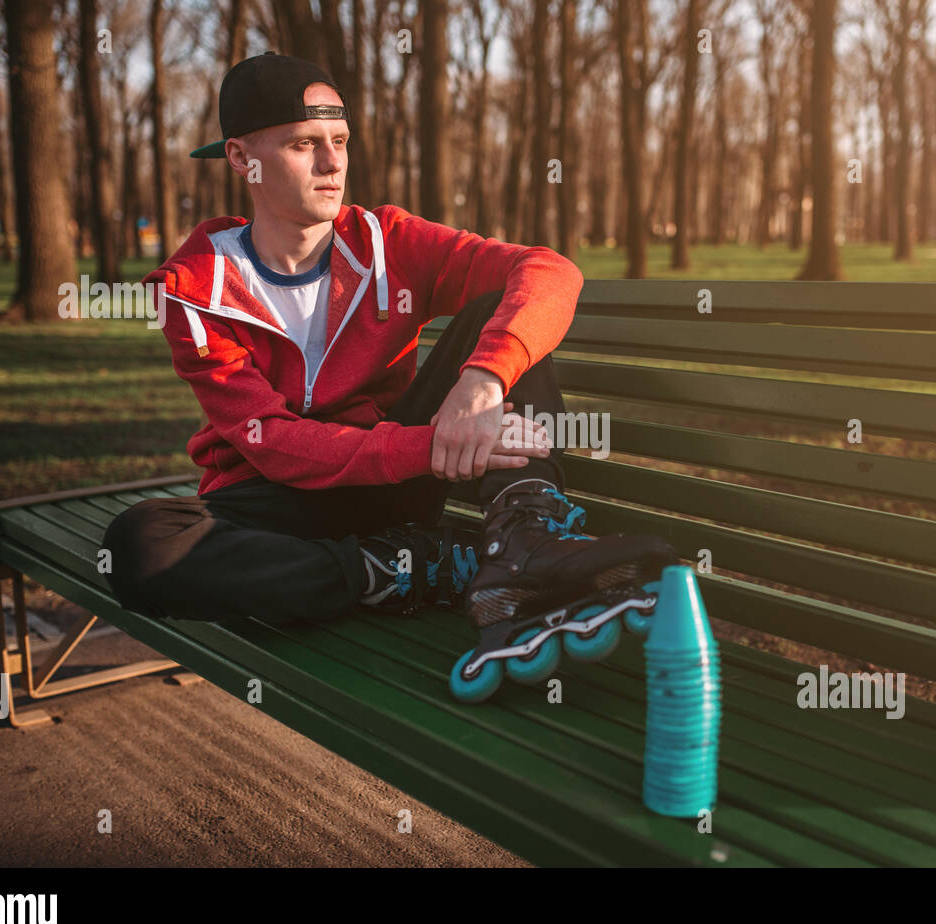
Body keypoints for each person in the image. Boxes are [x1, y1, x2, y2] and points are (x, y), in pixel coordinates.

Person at [102, 52, 676, 636]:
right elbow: (271, 442)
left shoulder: (387, 243)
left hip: (392, 484)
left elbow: (549, 271)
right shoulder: (195, 289)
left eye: (340, 140)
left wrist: (483, 382)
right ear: (241, 159)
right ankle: (410, 568)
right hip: (277, 500)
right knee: (141, 546)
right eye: (303, 144)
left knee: (499, 312)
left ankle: (525, 540)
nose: (332, 163)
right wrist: (429, 447)